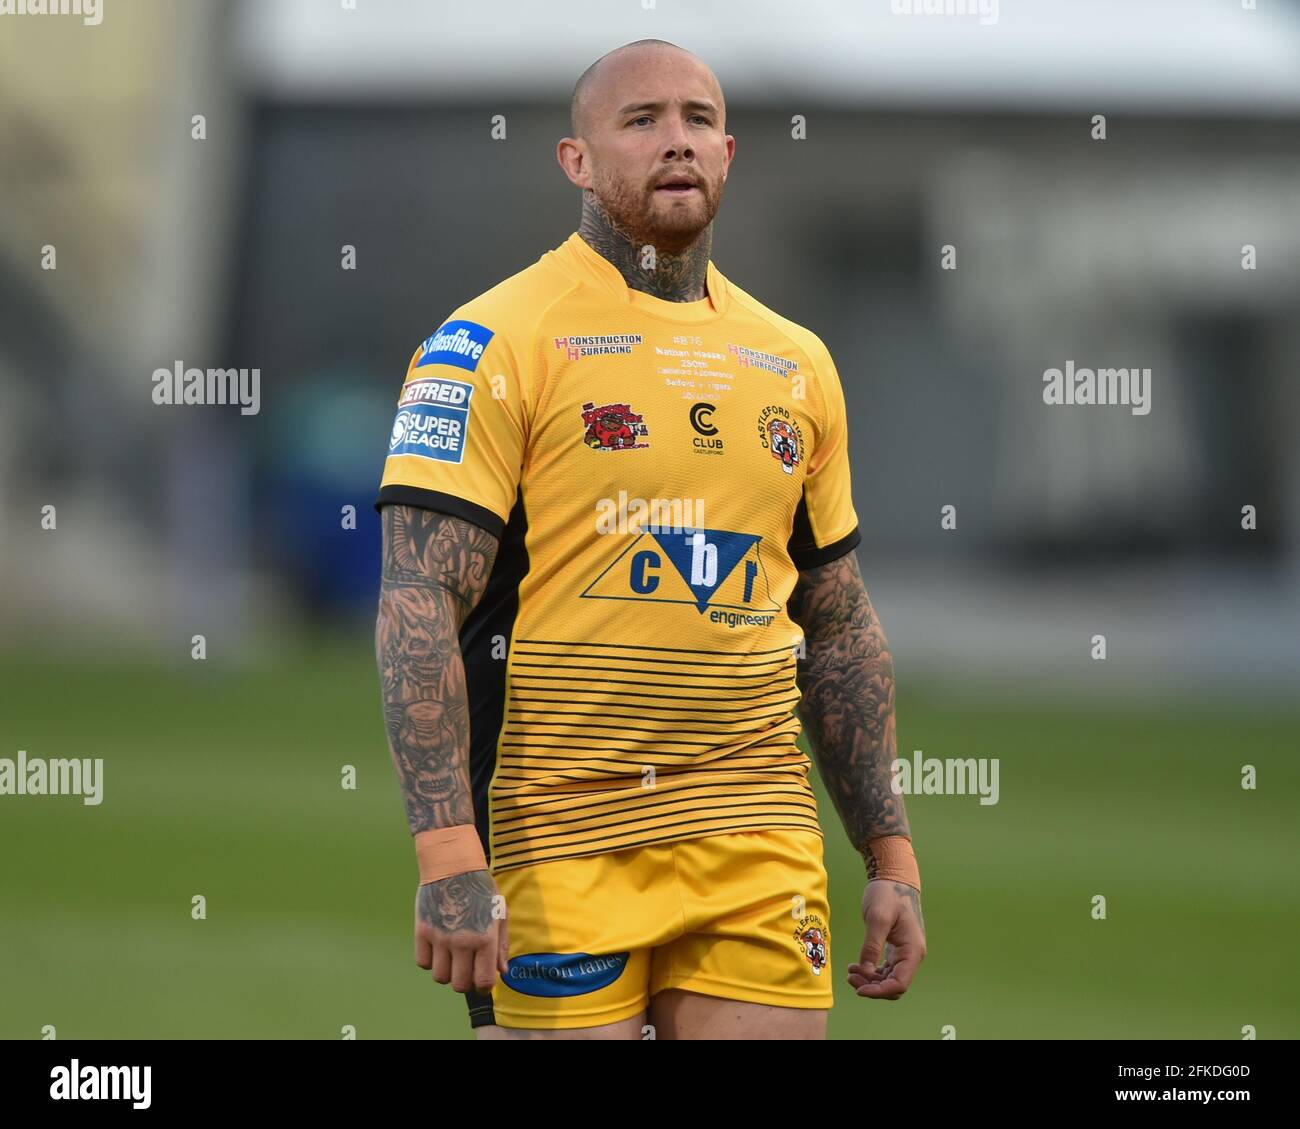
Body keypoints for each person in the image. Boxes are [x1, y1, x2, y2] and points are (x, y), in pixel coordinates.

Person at [374, 38, 924, 1040]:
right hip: (557, 834)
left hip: (758, 834)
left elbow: (837, 625)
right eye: (640, 121)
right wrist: (447, 852)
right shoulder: (490, 342)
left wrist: (889, 851)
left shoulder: (794, 362)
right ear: (575, 162)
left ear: (728, 152)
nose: (676, 141)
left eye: (697, 120)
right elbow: (419, 600)